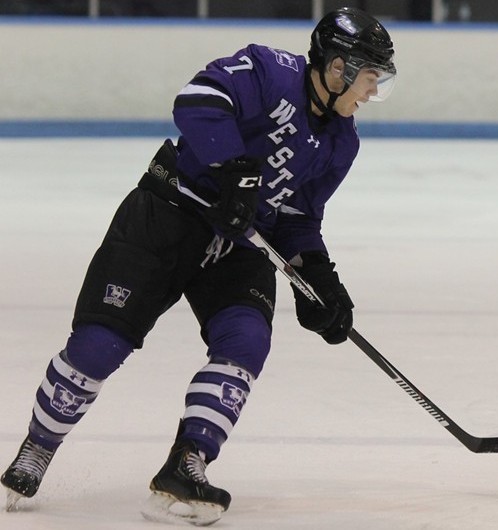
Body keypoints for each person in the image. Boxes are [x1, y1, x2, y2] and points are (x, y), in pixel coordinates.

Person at [1, 6, 395, 525]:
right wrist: (233, 168)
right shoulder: (271, 71)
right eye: (370, 78)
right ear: (338, 67)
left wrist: (318, 277)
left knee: (246, 343)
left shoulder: (342, 142)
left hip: (238, 243)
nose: (372, 91)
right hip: (167, 216)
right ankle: (38, 446)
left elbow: (298, 217)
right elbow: (198, 98)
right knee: (99, 346)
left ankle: (187, 463)